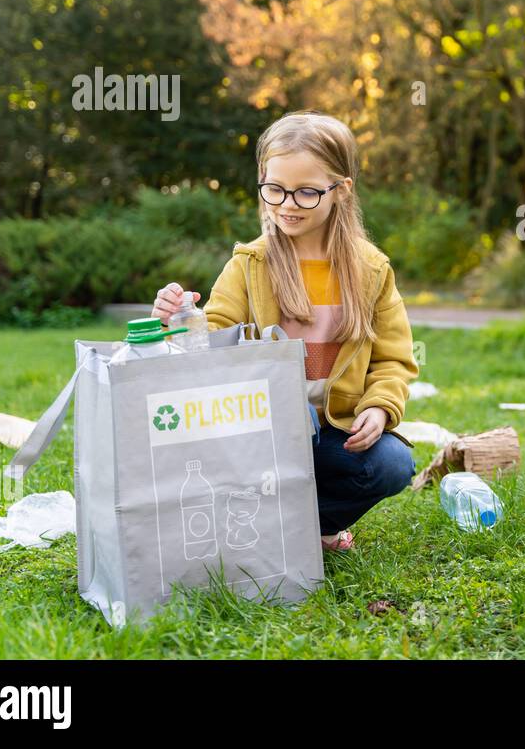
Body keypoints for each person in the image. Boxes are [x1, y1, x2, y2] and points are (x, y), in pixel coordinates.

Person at [152, 110, 418, 551]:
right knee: (303, 416)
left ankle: (305, 528)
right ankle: (273, 525)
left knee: (393, 463)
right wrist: (179, 319)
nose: (287, 204)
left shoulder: (371, 270)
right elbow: (213, 337)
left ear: (341, 190)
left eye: (306, 193)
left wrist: (380, 406)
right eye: (274, 189)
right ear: (262, 179)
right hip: (259, 431)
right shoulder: (250, 264)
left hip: (332, 431)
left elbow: (393, 358)